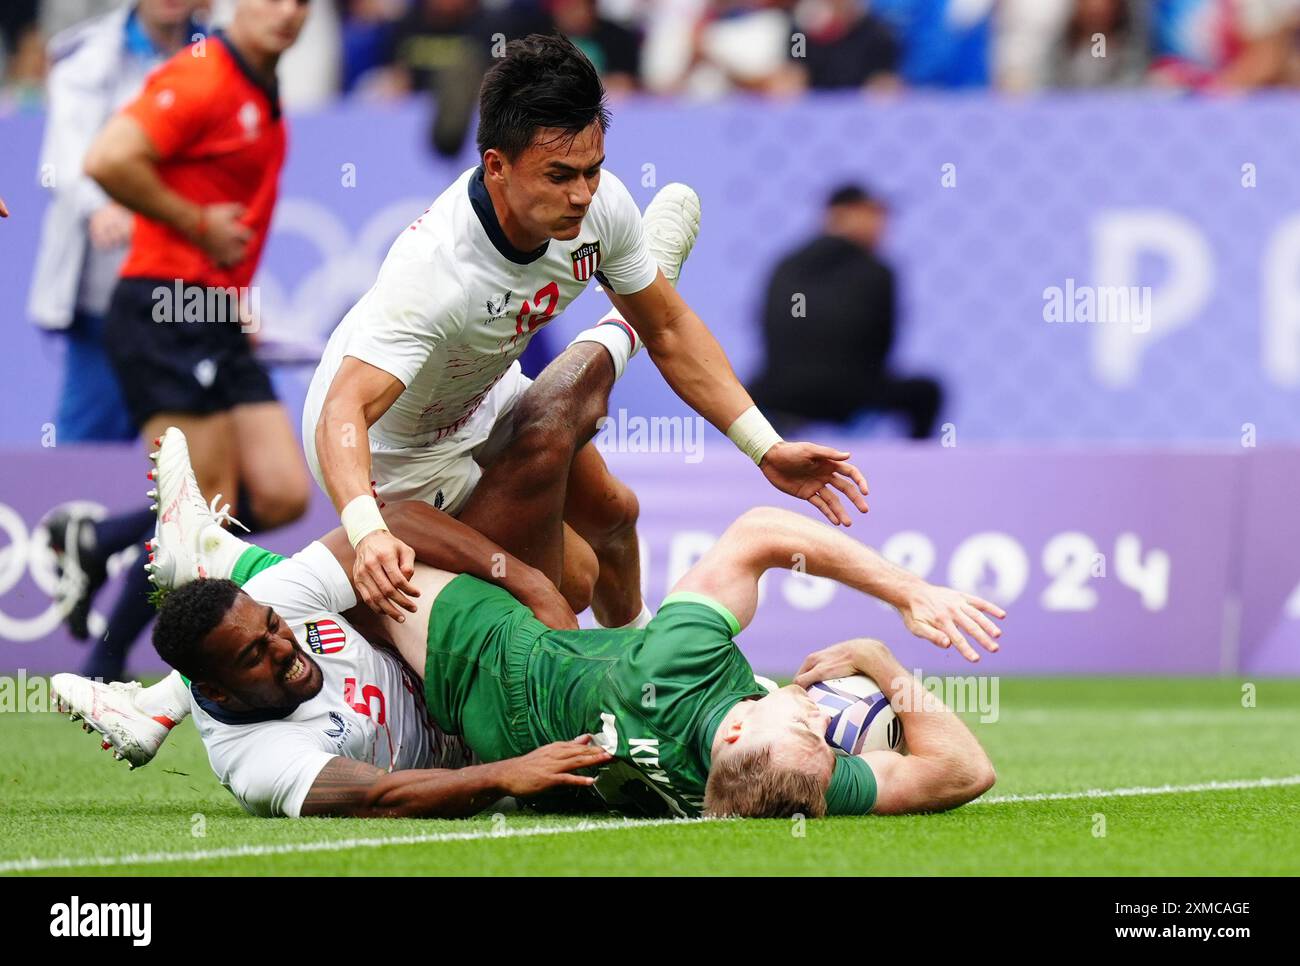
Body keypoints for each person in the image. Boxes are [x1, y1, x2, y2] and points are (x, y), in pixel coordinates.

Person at [54, 338, 1001, 820]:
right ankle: (181, 648)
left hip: (485, 672)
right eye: (819, 705)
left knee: (523, 464)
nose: (806, 691)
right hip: (516, 701)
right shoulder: (768, 791)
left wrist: (894, 617)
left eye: (807, 708)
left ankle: (199, 601)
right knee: (594, 531)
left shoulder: (686, 656)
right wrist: (886, 664)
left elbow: (758, 529)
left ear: (751, 723)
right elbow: (967, 769)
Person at [306, 32, 870, 643]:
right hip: (398, 460)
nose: (581, 194)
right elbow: (344, 410)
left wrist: (764, 447)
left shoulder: (599, 209)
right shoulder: (434, 272)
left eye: (592, 171)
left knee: (615, 515)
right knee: (570, 583)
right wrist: (366, 530)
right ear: (496, 165)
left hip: (481, 395)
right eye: (559, 175)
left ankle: (642, 664)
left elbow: (671, 327)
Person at [44, 0, 313, 681]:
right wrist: (196, 223)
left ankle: (100, 536)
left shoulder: (261, 80)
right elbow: (106, 158)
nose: (287, 12)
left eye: (301, 1)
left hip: (214, 312)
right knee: (199, 514)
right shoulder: (202, 73)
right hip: (163, 308)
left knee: (280, 495)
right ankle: (105, 663)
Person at [28, 0, 203, 445]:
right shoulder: (88, 54)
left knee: (194, 458)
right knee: (87, 449)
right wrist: (100, 205)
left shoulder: (219, 53)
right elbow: (66, 158)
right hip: (107, 292)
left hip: (189, 293)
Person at [748, 184, 944, 440]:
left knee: (745, 393)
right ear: (840, 214)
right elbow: (883, 343)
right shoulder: (877, 271)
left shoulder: (785, 264)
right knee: (927, 392)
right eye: (872, 214)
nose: (882, 225)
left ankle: (762, 454)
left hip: (777, 392)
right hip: (851, 394)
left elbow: (767, 327)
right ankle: (919, 471)